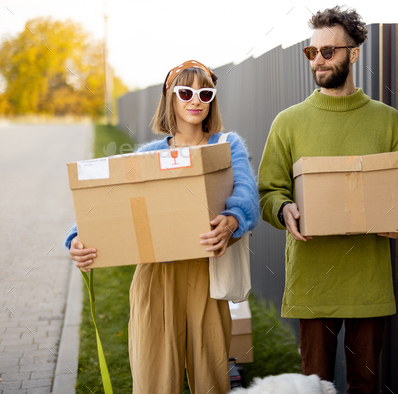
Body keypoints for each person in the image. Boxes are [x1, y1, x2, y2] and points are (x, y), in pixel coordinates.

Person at [65, 60, 259, 394]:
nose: (195, 99)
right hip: (155, 279)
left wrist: (230, 222)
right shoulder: (150, 153)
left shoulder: (227, 145)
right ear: (170, 97)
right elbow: (109, 200)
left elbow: (247, 194)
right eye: (185, 92)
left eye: (204, 92)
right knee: (155, 379)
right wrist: (76, 237)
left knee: (210, 379)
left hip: (206, 274)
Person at [257, 7, 398, 393]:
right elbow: (269, 191)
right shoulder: (289, 122)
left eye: (328, 51)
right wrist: (284, 210)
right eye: (311, 52)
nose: (318, 60)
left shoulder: (386, 120)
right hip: (312, 282)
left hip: (368, 281)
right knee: (314, 385)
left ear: (354, 53)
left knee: (365, 383)